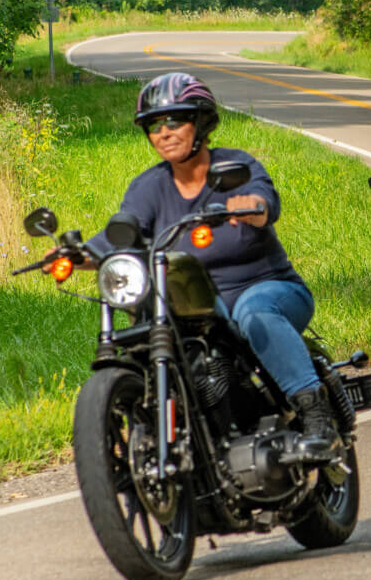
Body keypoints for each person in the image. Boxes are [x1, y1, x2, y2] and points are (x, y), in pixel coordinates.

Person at [86, 72, 338, 461]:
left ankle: (315, 413)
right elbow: (121, 232)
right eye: (154, 125)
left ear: (201, 122)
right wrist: (75, 256)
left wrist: (250, 206)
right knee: (167, 329)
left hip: (268, 288)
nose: (164, 132)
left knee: (254, 314)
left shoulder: (235, 166)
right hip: (202, 304)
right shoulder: (148, 187)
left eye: (175, 120)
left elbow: (265, 201)